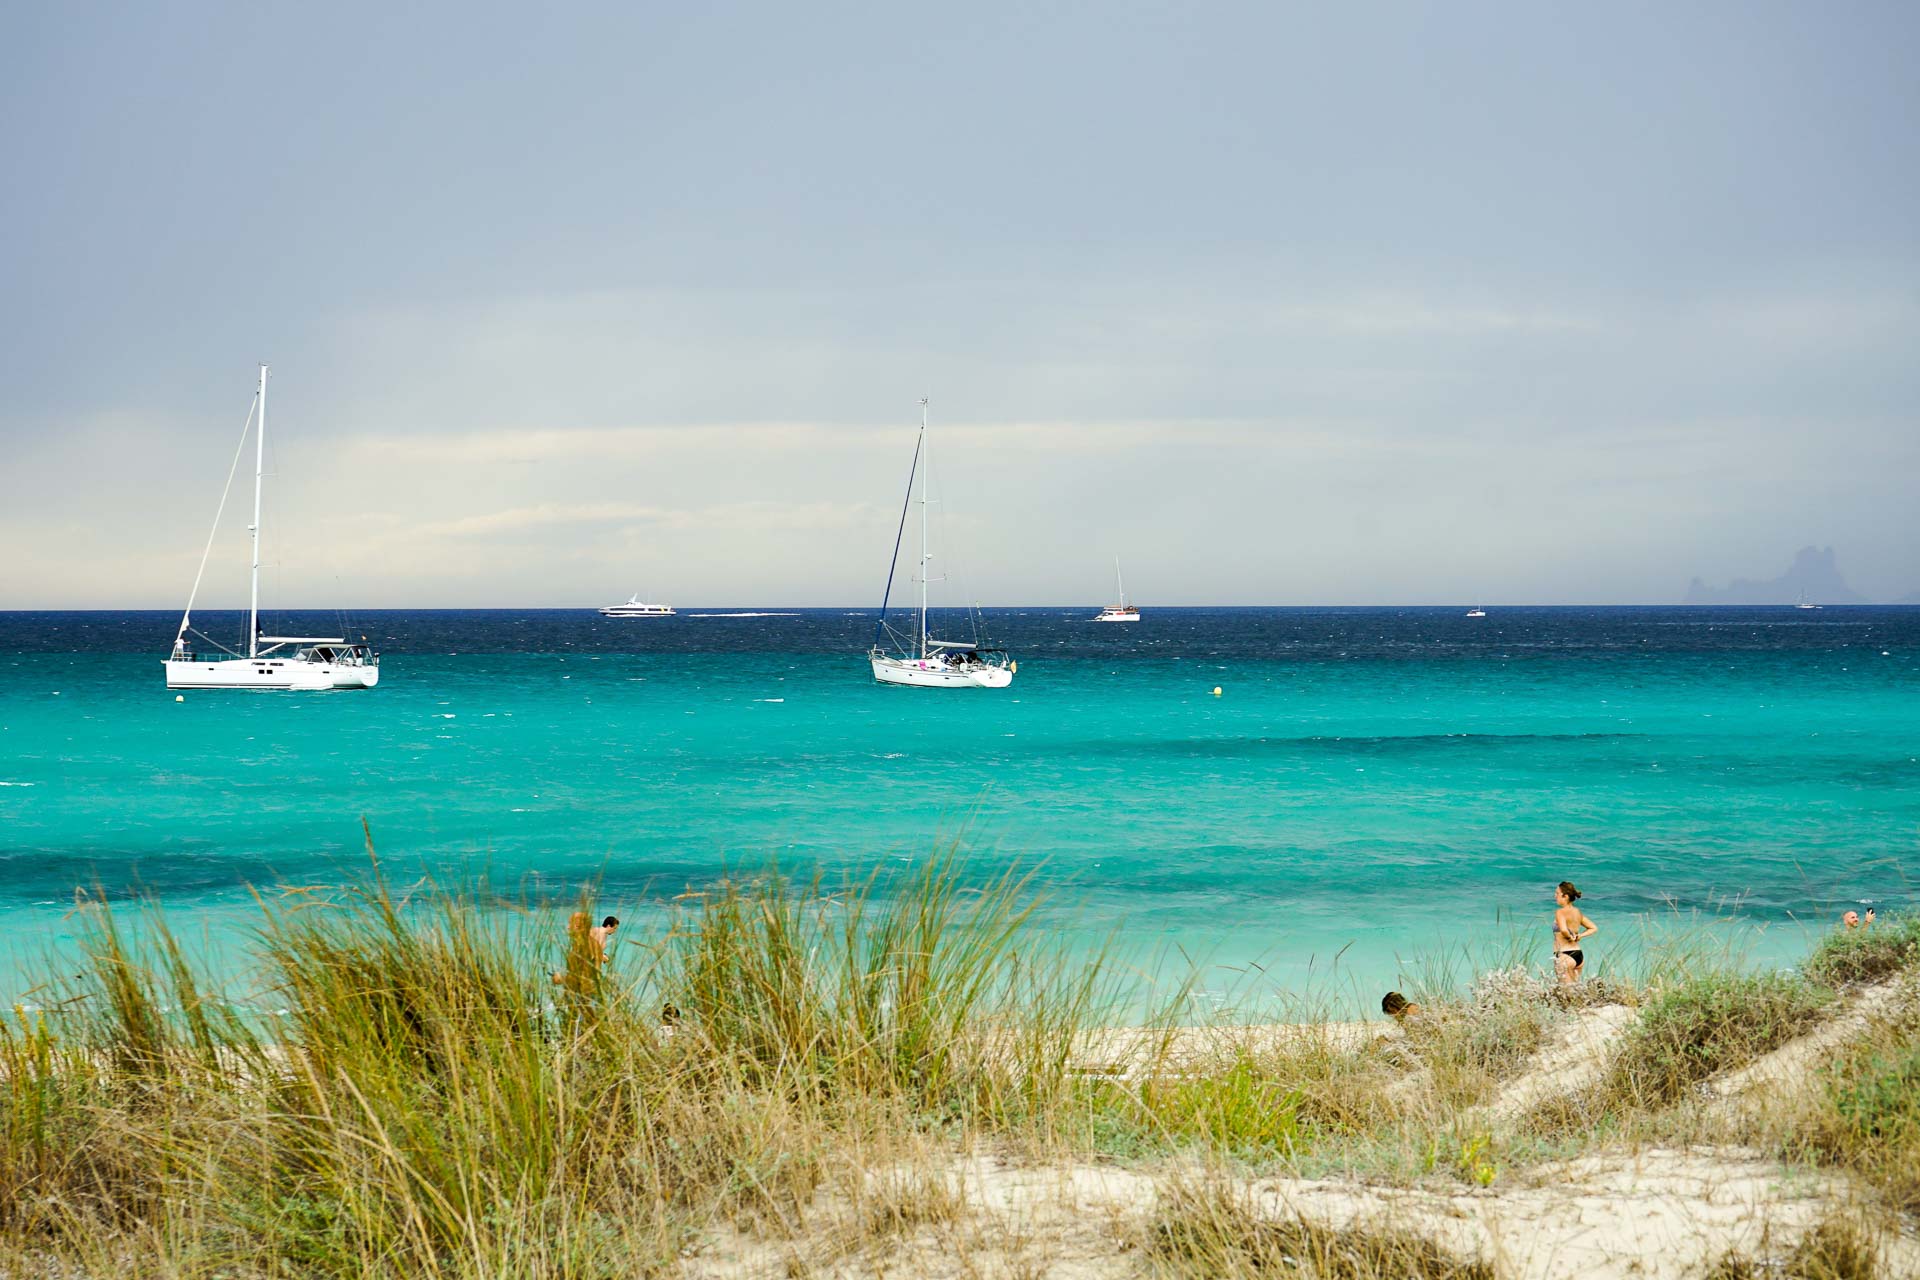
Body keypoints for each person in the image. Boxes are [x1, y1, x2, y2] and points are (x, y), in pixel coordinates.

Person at [1553, 881, 1597, 985]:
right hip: (1578, 955)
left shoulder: (1560, 912)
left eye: (1557, 893)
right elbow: (1593, 928)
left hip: (1565, 955)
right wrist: (1579, 936)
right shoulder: (1577, 912)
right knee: (1575, 991)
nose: (1555, 896)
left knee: (1566, 995)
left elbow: (1563, 930)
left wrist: (1569, 937)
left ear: (1565, 896)